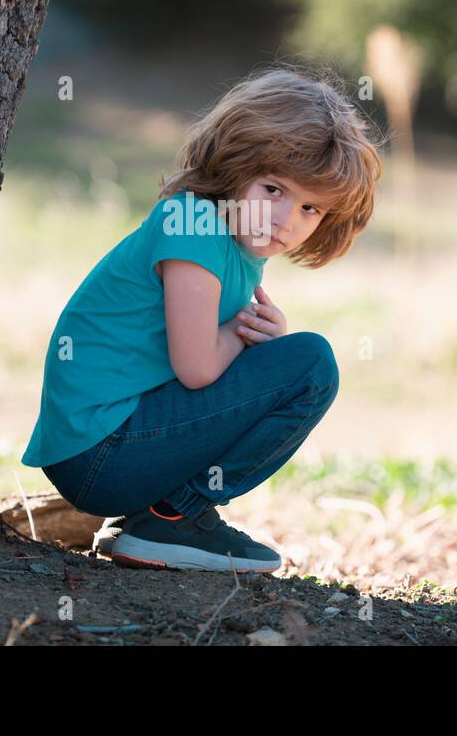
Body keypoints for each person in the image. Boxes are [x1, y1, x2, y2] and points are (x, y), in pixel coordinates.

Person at [21, 64, 385, 572]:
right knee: (312, 364)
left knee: (295, 362)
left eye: (311, 209)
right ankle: (173, 518)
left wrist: (260, 344)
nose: (286, 219)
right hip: (100, 453)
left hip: (110, 445)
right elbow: (197, 368)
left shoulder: (228, 241)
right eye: (274, 190)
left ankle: (159, 519)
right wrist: (245, 335)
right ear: (235, 166)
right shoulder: (193, 228)